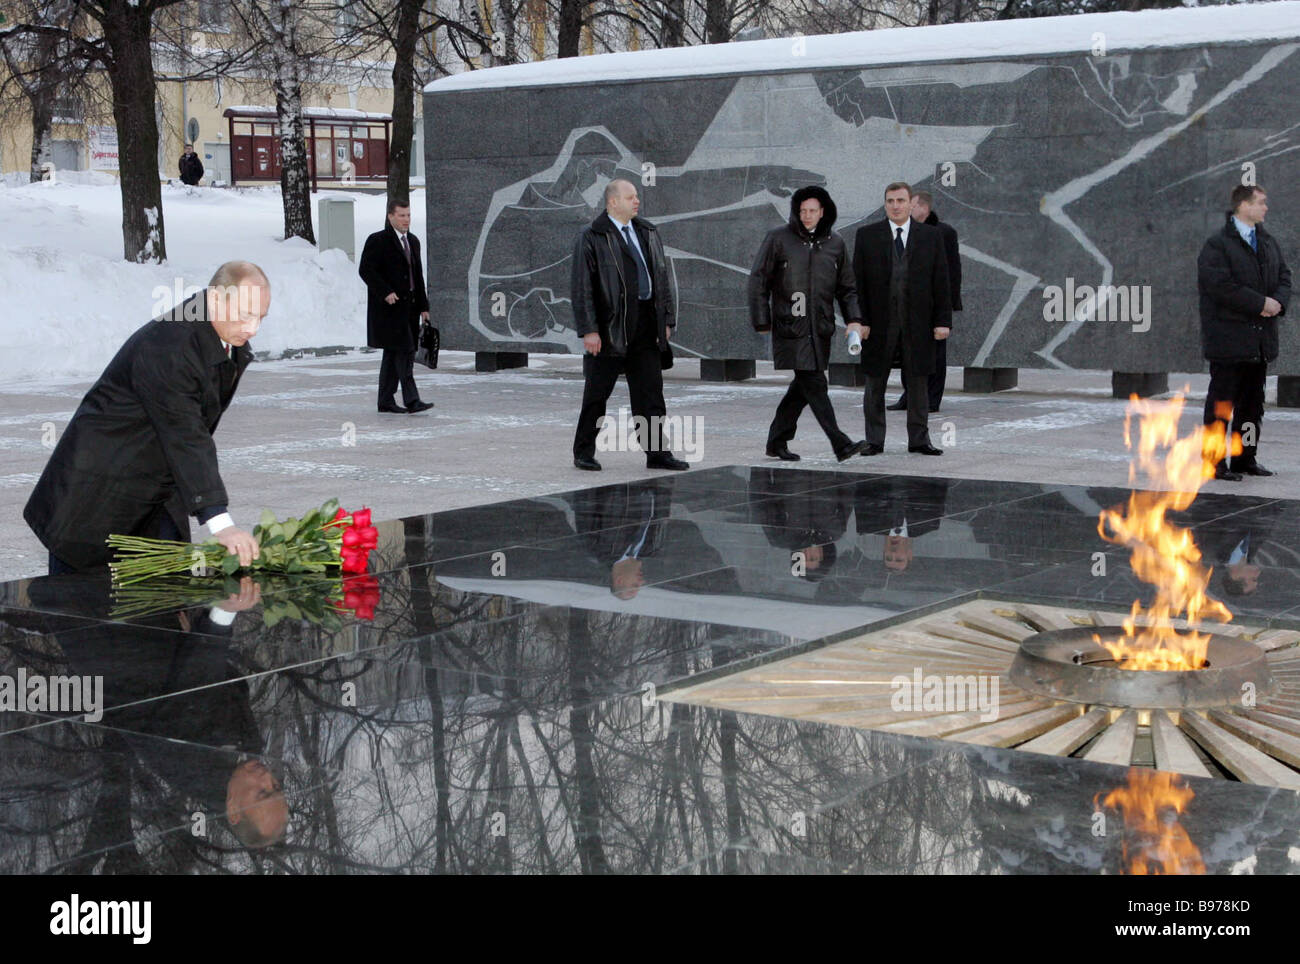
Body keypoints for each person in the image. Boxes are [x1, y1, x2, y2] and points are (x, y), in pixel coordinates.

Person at [24, 262, 269, 575]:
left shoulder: (220, 338)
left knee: (164, 605)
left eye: (260, 317)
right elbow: (186, 434)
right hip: (96, 498)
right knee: (81, 612)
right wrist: (220, 523)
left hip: (155, 493)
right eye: (246, 315)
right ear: (216, 300)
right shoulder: (170, 347)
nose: (253, 329)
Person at [571, 178, 688, 471]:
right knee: (597, 394)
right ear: (613, 202)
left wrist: (667, 320)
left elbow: (661, 279)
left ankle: (657, 453)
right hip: (610, 329)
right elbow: (582, 287)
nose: (636, 201)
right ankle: (583, 451)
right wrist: (589, 329)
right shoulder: (593, 236)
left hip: (647, 326)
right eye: (630, 197)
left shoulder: (647, 231)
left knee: (650, 394)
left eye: (636, 196)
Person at [748, 185, 868, 462]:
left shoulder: (835, 243)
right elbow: (758, 280)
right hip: (791, 326)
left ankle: (776, 441)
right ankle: (840, 442)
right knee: (814, 382)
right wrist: (761, 319)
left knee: (802, 387)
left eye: (812, 211)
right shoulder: (778, 238)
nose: (807, 216)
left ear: (823, 212)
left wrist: (854, 319)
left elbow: (847, 287)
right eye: (802, 211)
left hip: (820, 328)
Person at [850, 181, 951, 456]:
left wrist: (943, 321)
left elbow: (941, 282)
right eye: (890, 201)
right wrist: (860, 320)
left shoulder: (931, 237)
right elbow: (856, 284)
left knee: (918, 383)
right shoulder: (867, 236)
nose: (895, 205)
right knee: (874, 384)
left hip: (918, 324)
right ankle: (874, 440)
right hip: (878, 325)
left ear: (911, 204)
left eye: (900, 200)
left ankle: (919, 439)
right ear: (885, 204)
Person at [1198, 184, 1292, 481]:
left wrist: (1277, 303)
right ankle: (1212, 462)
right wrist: (1259, 303)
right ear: (1243, 205)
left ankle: (1244, 458)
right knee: (1222, 405)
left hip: (1259, 342)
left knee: (1252, 407)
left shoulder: (1267, 242)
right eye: (1261, 203)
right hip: (1229, 341)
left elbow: (1284, 276)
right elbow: (1220, 287)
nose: (1265, 208)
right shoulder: (1218, 245)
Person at [359, 198, 434, 415]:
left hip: (409, 308)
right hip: (389, 310)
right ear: (390, 216)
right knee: (405, 352)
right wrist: (385, 292)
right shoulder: (378, 240)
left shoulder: (413, 241)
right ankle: (412, 400)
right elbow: (366, 270)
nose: (406, 220)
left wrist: (423, 305)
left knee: (393, 355)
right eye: (401, 215)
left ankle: (385, 400)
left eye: (408, 215)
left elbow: (416, 276)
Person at [890, 191, 962, 414]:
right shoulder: (901, 231)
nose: (904, 209)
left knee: (935, 354)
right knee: (906, 351)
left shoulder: (943, 233)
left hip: (933, 305)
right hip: (905, 303)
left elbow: (952, 270)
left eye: (909, 204)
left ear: (923, 207)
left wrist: (948, 305)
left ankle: (931, 399)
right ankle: (909, 395)